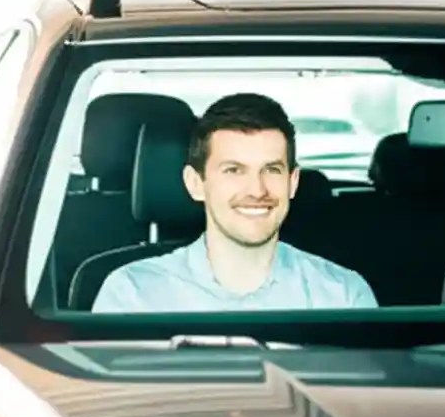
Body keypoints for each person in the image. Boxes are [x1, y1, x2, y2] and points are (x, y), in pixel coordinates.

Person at [92, 92, 378, 313]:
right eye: (233, 170)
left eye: (271, 169)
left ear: (293, 183)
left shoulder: (343, 295)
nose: (257, 189)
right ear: (195, 184)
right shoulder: (132, 295)